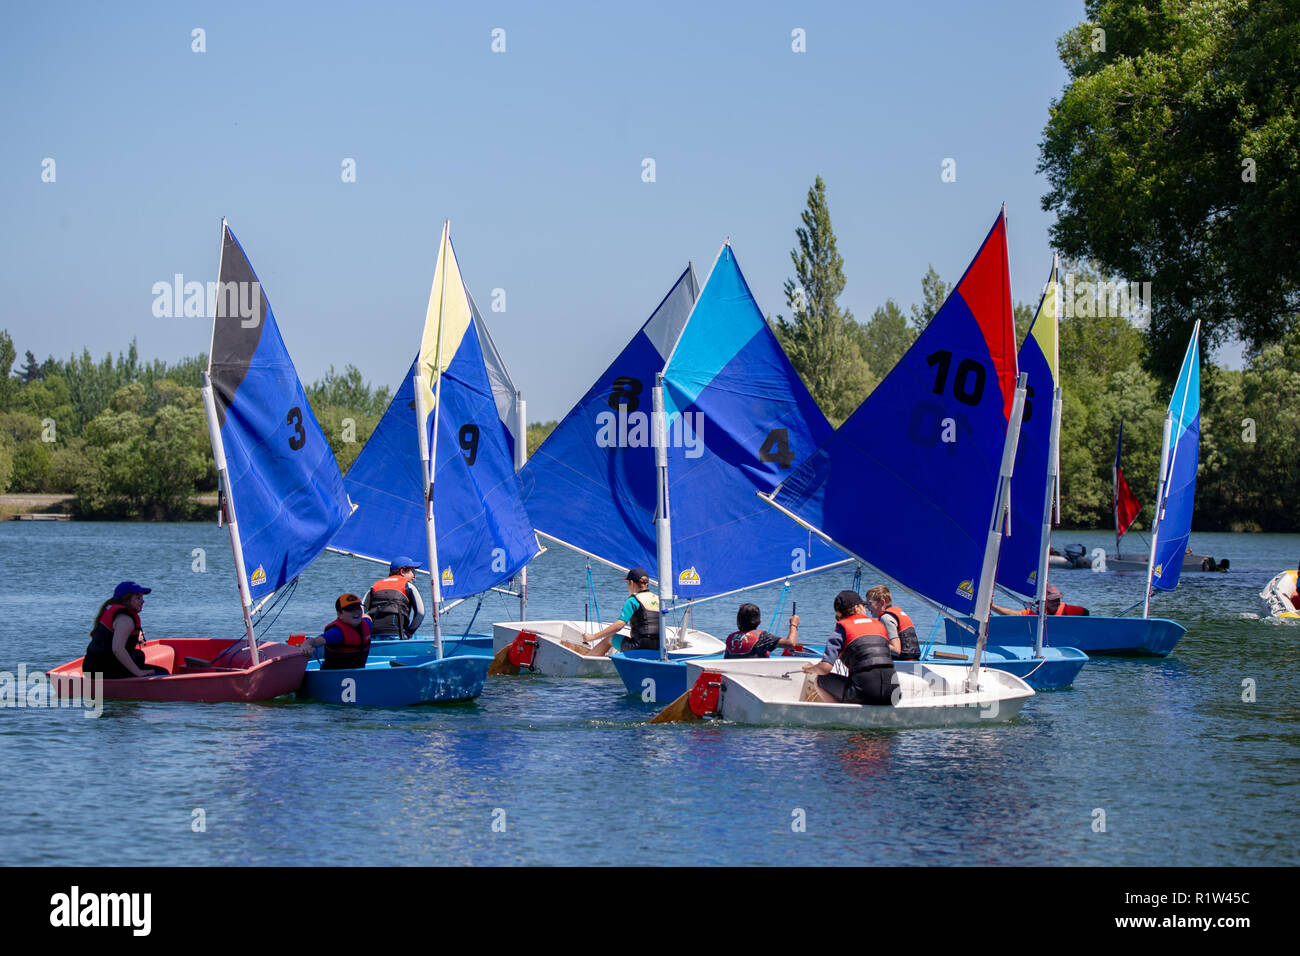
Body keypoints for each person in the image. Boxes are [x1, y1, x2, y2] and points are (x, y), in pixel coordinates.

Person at [801, 590, 898, 705]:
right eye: (863, 606)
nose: (865, 609)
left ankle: (838, 715)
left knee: (820, 679)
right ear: (857, 608)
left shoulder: (841, 631)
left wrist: (810, 668)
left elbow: (824, 668)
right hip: (892, 692)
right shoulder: (879, 626)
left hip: (866, 693)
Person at [83, 581, 169, 679]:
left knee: (139, 655)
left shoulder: (114, 613)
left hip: (93, 667)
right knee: (163, 673)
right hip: (103, 671)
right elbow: (117, 649)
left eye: (142, 597)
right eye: (138, 598)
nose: (143, 601)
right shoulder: (125, 619)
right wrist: (138, 672)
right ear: (126, 600)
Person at [583, 568, 660, 656]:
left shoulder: (633, 600)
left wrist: (593, 637)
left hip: (639, 647)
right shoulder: (658, 599)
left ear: (631, 583)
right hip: (658, 647)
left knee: (609, 639)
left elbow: (620, 625)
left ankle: (586, 661)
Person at [303, 593, 373, 670]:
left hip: (358, 674)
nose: (356, 612)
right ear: (339, 614)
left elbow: (368, 617)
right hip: (334, 676)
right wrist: (306, 644)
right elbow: (315, 641)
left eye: (358, 608)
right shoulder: (337, 632)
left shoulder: (366, 624)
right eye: (350, 609)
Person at [363, 557, 426, 639]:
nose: (414, 576)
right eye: (412, 571)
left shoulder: (374, 586)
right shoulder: (408, 586)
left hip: (373, 635)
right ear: (402, 571)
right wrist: (410, 632)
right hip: (397, 635)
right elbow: (421, 613)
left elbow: (361, 611)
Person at [724, 603, 800, 658]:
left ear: (738, 622)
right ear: (760, 621)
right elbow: (790, 643)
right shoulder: (762, 637)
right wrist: (794, 624)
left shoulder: (730, 638)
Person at [864, 585, 919, 660]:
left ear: (882, 603)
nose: (867, 607)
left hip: (904, 665)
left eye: (870, 603)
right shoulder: (898, 613)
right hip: (913, 661)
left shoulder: (886, 618)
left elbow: (896, 650)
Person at [992, 584, 1089, 616]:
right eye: (1052, 599)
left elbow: (1086, 613)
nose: (1056, 602)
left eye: (1057, 599)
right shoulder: (1037, 612)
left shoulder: (1069, 610)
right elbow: (1014, 614)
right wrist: (992, 606)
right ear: (1043, 602)